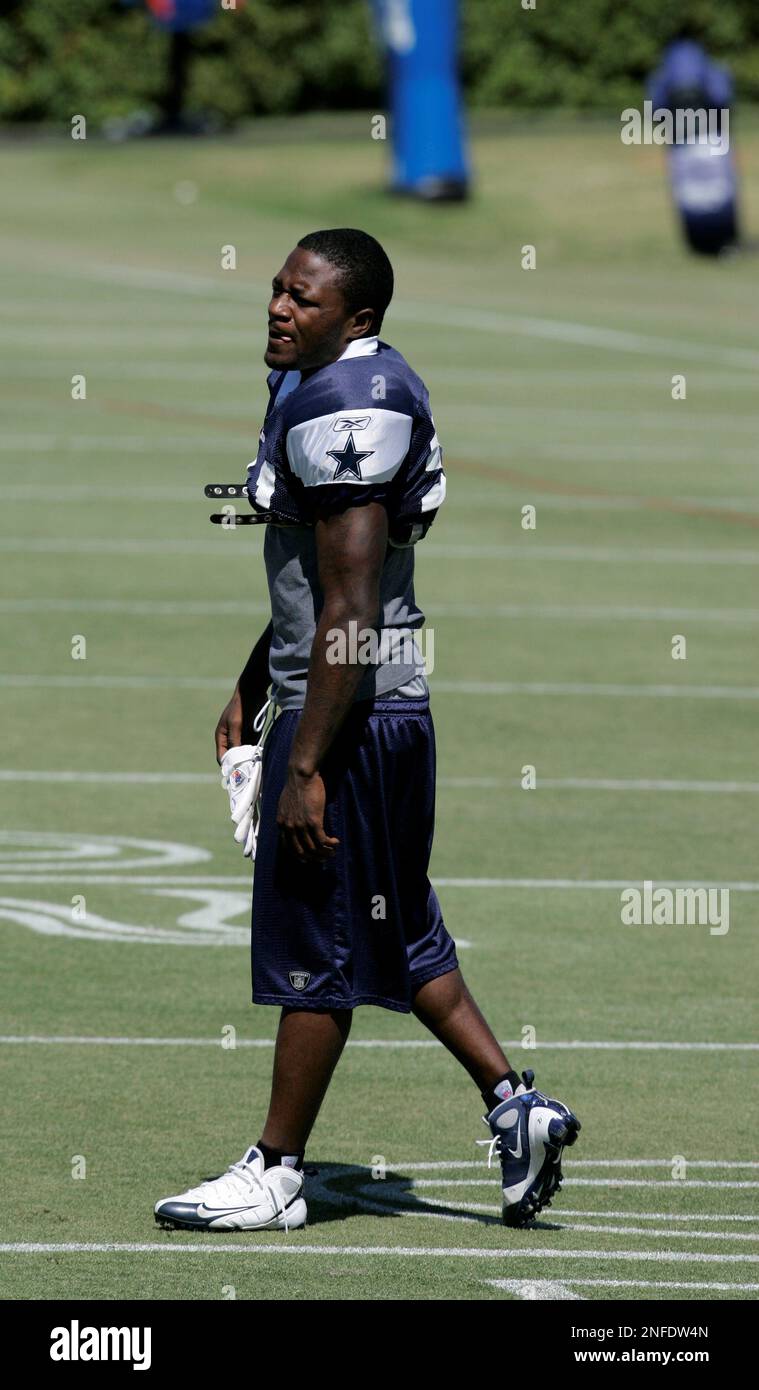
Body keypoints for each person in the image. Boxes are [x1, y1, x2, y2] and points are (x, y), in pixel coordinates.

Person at [153, 228, 580, 1234]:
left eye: (302, 298)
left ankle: (276, 1169)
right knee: (398, 924)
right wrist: (256, 680)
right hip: (364, 699)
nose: (277, 308)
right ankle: (515, 1106)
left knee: (315, 941)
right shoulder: (322, 380)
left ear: (359, 315)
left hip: (351, 713)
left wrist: (305, 760)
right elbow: (327, 586)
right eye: (275, 290)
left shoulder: (353, 403)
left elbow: (350, 607)